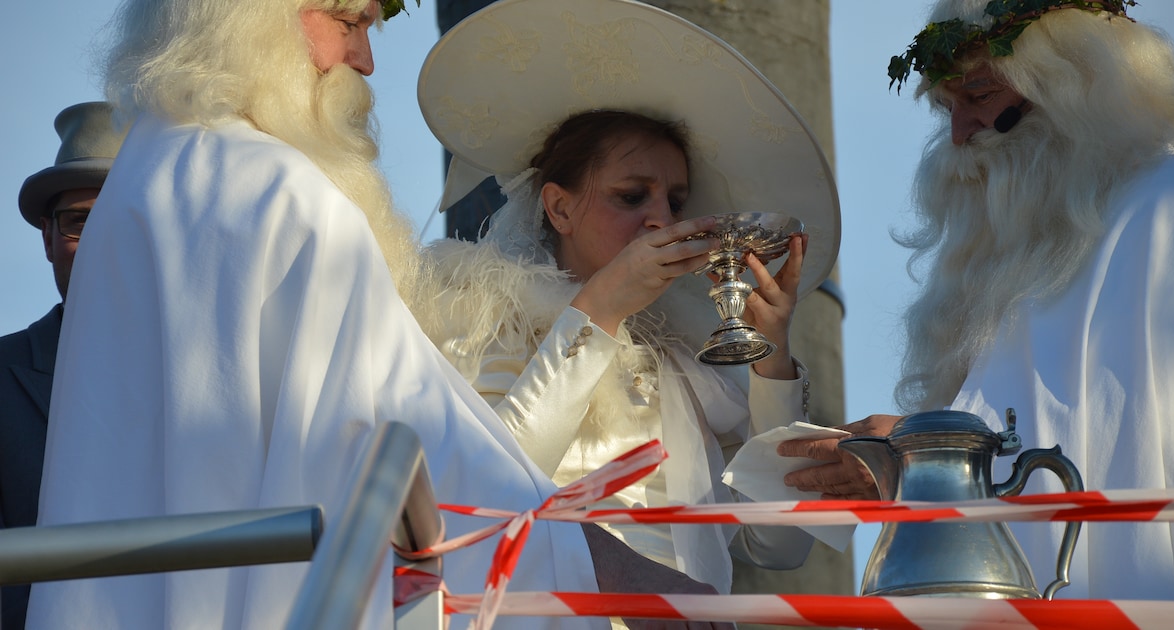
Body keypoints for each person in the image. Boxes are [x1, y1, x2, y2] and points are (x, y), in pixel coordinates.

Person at [25, 1, 732, 629]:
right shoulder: (282, 193)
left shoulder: (143, 180)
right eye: (349, 21)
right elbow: (404, 444)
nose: (363, 60)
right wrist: (601, 560)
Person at [409, 0, 842, 602]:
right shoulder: (478, 317)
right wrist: (600, 312)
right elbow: (478, 497)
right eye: (632, 196)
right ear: (560, 207)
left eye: (675, 201)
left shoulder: (684, 368)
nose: (662, 219)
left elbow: (780, 547)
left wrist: (771, 361)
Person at [781, 0, 1174, 601]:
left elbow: (1137, 438)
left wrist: (928, 456)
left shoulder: (1173, 205)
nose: (958, 135)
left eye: (978, 95)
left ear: (1073, 85)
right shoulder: (1020, 256)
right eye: (946, 108)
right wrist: (918, 458)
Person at [0, 101, 125, 630]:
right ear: (47, 239)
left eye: (121, 220)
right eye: (79, 222)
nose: (97, 241)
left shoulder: (219, 372)